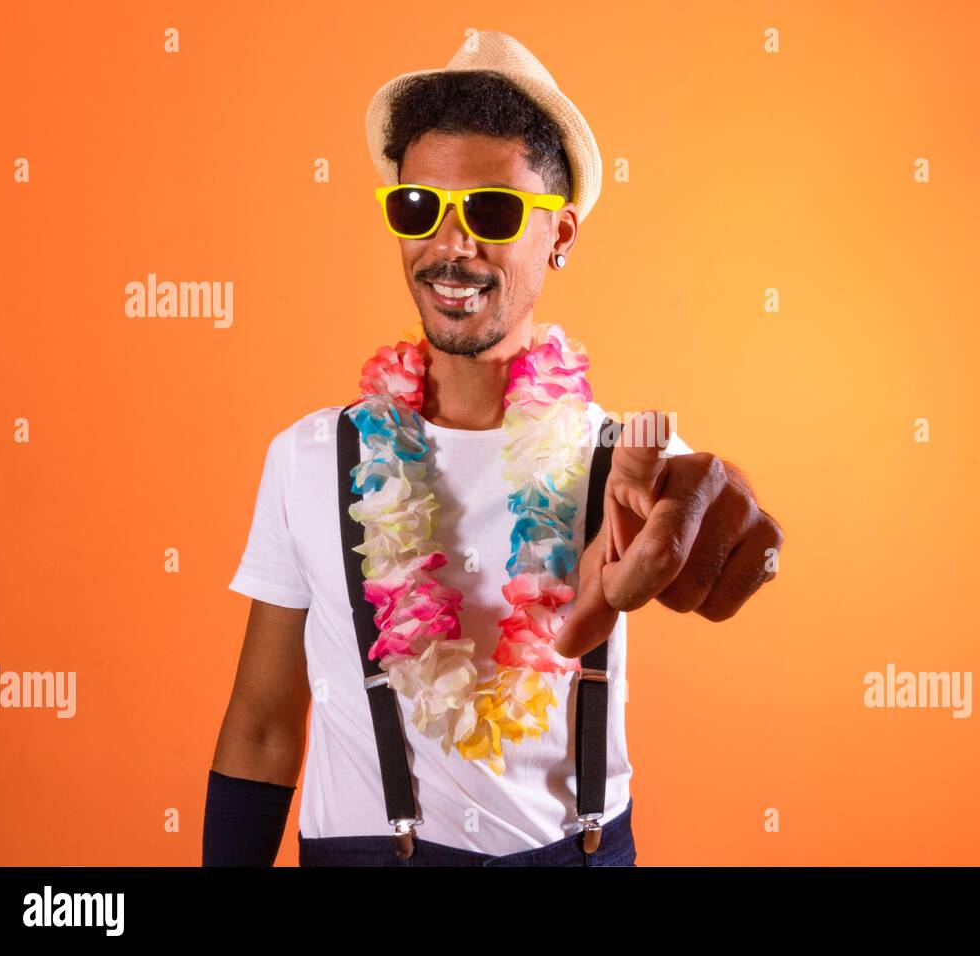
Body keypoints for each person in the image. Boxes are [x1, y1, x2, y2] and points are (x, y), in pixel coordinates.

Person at [203, 30, 783, 867]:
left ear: (561, 235)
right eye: (418, 209)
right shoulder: (308, 458)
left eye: (493, 211)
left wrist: (727, 511)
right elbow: (259, 727)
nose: (451, 246)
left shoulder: (624, 462)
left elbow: (736, 554)